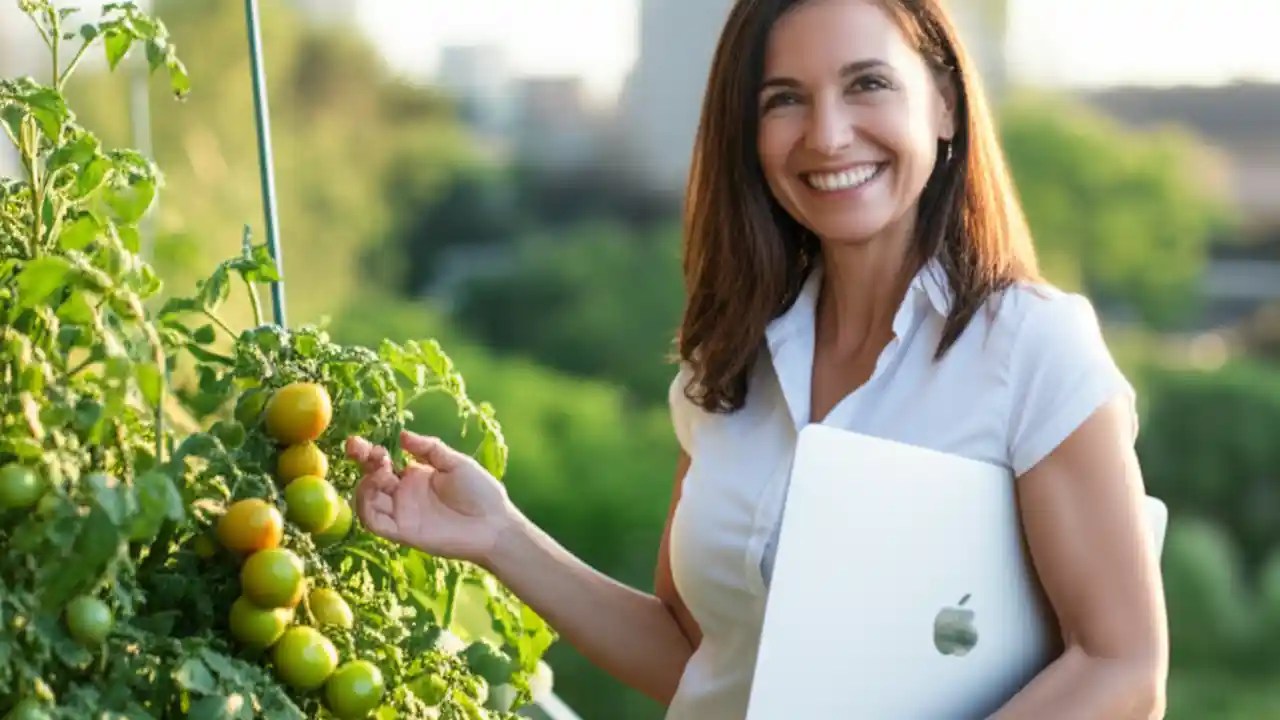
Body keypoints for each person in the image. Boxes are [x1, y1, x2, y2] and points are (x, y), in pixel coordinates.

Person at [346, 0, 1170, 717]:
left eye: (867, 84)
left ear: (945, 102)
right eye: (785, 100)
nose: (828, 133)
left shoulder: (1030, 348)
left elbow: (1122, 670)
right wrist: (499, 535)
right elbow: (700, 657)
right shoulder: (725, 369)